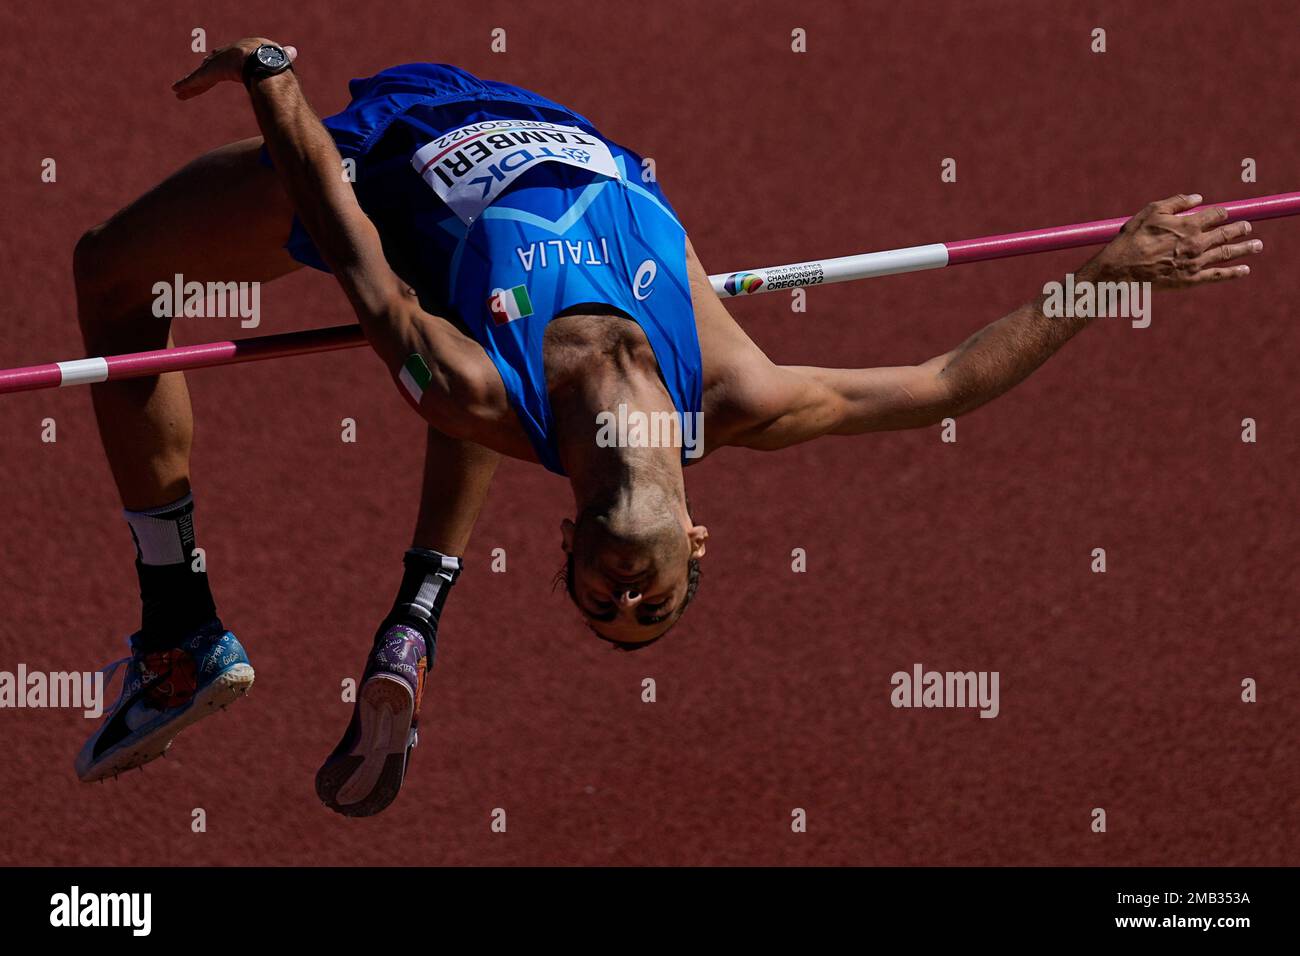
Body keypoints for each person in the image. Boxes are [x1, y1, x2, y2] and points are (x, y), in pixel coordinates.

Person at [74, 37, 1263, 818]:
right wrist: (1114, 274)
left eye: (601, 608)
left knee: (114, 280)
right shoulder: (742, 394)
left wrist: (276, 84)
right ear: (701, 544)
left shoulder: (482, 398)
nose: (625, 595)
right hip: (555, 120)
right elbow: (948, 380)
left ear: (568, 553)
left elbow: (348, 246)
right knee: (470, 363)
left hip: (383, 153)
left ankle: (179, 627)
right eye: (654, 606)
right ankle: (413, 614)